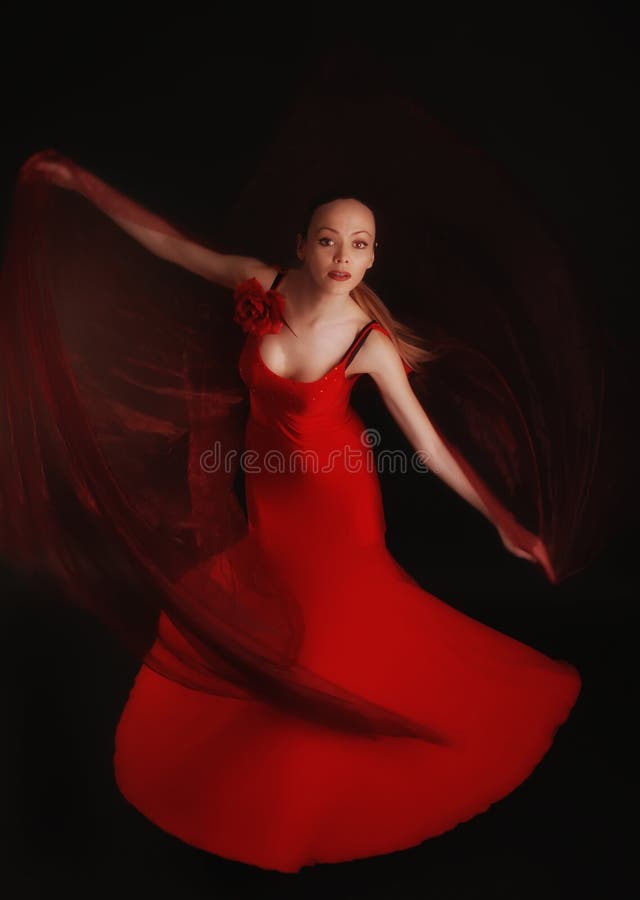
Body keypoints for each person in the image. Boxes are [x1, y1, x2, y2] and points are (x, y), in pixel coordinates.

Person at [0, 150, 606, 873]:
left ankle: (302, 784)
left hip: (336, 498)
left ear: (374, 255)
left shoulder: (367, 342)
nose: (342, 255)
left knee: (330, 625)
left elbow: (431, 447)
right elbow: (172, 245)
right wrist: (81, 186)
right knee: (281, 610)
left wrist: (506, 523)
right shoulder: (262, 283)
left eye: (358, 243)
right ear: (302, 245)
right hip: (268, 484)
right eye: (328, 239)